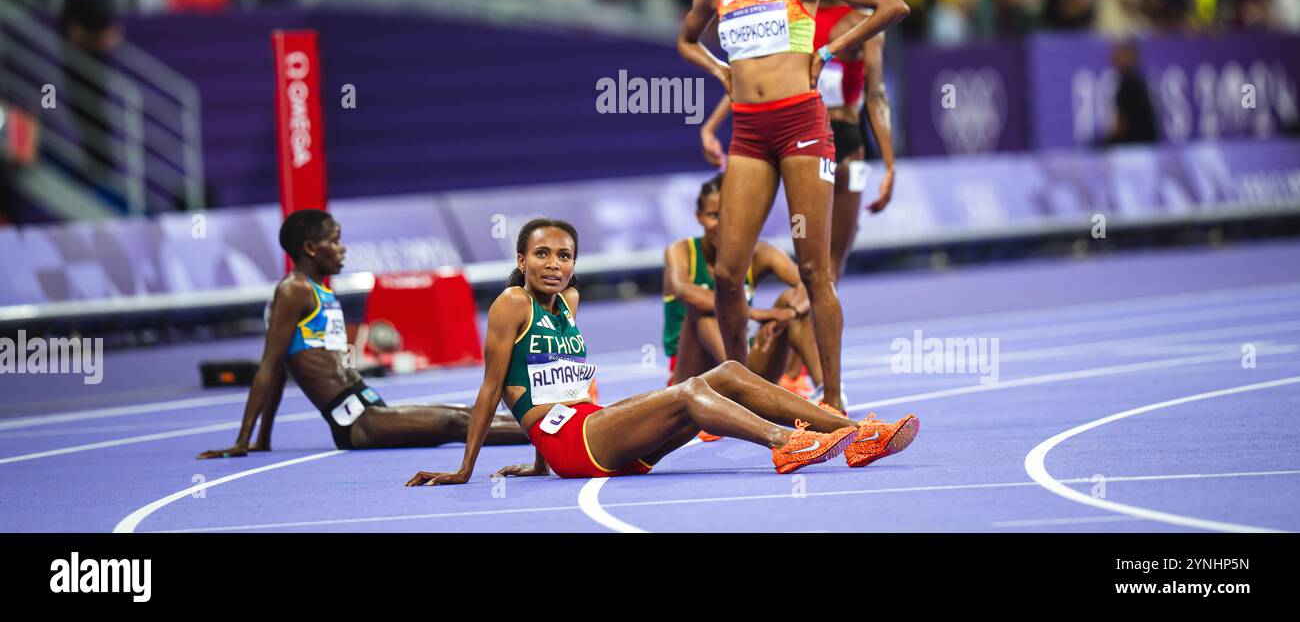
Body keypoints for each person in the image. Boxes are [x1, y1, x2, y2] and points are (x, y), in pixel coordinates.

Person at [405, 219, 918, 485]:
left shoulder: (569, 301)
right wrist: (465, 469)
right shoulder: (512, 302)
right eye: (542, 254)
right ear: (520, 260)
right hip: (578, 446)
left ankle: (855, 435)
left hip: (598, 430)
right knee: (692, 390)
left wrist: (537, 468)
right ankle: (785, 442)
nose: (554, 264)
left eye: (564, 255)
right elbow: (496, 387)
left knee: (729, 372)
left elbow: (551, 382)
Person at [676, 0, 909, 416]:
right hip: (750, 133)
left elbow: (892, 5)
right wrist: (719, 71)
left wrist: (827, 50)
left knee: (814, 272)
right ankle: (741, 389)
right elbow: (687, 39)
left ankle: (831, 398)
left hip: (803, 126)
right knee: (730, 274)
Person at [198, 209, 527, 457]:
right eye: (335, 240)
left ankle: (549, 427)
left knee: (465, 412)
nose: (342, 249)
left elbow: (282, 370)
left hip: (367, 403)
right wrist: (246, 441)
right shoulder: (292, 289)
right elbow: (270, 366)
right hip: (356, 423)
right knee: (454, 425)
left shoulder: (320, 292)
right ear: (312, 248)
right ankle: (551, 436)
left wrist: (264, 439)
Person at [699, 0, 897, 282]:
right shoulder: (863, 26)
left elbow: (753, 81)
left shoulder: (793, 18)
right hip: (836, 142)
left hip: (798, 138)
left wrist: (710, 126)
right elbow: (876, 95)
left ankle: (790, 322)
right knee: (829, 265)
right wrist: (890, 164)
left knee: (810, 265)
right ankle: (797, 324)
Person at [664, 174, 823, 403]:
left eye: (729, 215)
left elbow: (809, 284)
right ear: (699, 217)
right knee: (705, 311)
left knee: (792, 298)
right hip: (690, 375)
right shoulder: (680, 252)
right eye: (713, 216)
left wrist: (790, 313)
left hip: (743, 359)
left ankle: (825, 393)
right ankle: (736, 388)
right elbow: (685, 291)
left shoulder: (759, 253)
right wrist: (756, 313)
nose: (722, 224)